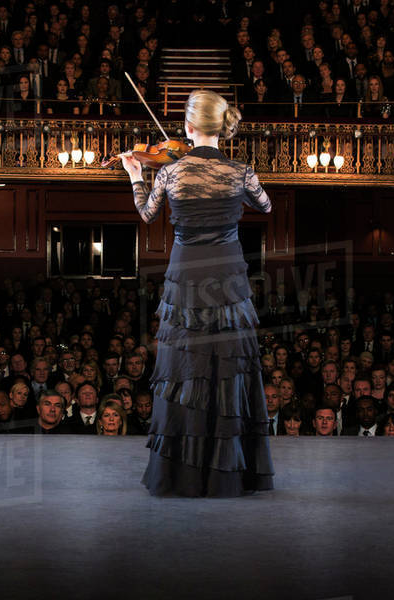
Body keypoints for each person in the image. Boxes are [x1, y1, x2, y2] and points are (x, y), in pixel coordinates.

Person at [122, 89, 273, 497]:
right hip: (226, 273)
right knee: (227, 365)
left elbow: (147, 213)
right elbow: (266, 206)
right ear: (223, 128)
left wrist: (138, 175)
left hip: (186, 274)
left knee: (185, 369)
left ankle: (181, 474)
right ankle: (229, 472)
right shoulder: (241, 171)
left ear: (187, 128)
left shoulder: (171, 173)